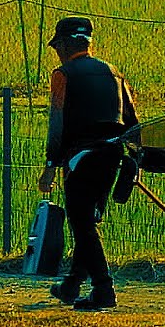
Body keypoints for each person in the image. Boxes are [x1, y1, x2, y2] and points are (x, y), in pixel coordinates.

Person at [39, 16, 138, 310]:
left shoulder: (63, 75)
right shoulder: (115, 74)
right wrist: (135, 159)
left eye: (58, 46)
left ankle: (103, 290)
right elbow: (132, 121)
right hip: (112, 157)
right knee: (88, 222)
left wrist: (50, 165)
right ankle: (71, 285)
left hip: (81, 159)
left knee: (82, 225)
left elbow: (57, 125)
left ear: (67, 44)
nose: (57, 52)